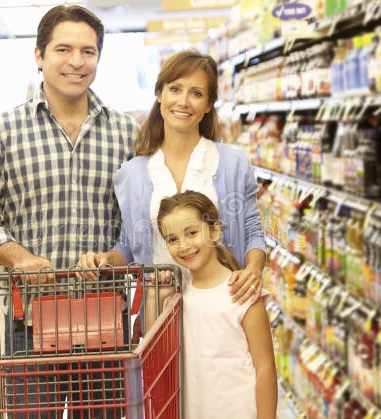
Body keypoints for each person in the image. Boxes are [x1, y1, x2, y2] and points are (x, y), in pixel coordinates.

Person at [0, 4, 137, 419]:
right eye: (63, 49)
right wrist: (20, 258)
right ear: (39, 55)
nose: (76, 61)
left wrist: (113, 256)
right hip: (28, 322)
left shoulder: (127, 133)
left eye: (88, 51)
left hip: (106, 321)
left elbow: (140, 221)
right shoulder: (2, 131)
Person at [78, 49, 266, 323]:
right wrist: (105, 260)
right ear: (160, 94)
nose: (184, 102)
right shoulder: (131, 175)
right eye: (175, 89)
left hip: (225, 304)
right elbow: (129, 246)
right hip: (161, 312)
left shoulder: (233, 163)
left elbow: (252, 230)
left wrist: (253, 270)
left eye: (197, 93)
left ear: (209, 103)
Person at [156, 190, 276, 419]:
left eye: (192, 232)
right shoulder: (177, 297)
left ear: (215, 229)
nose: (183, 245)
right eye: (172, 239)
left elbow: (265, 366)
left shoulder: (242, 292)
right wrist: (156, 292)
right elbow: (157, 350)